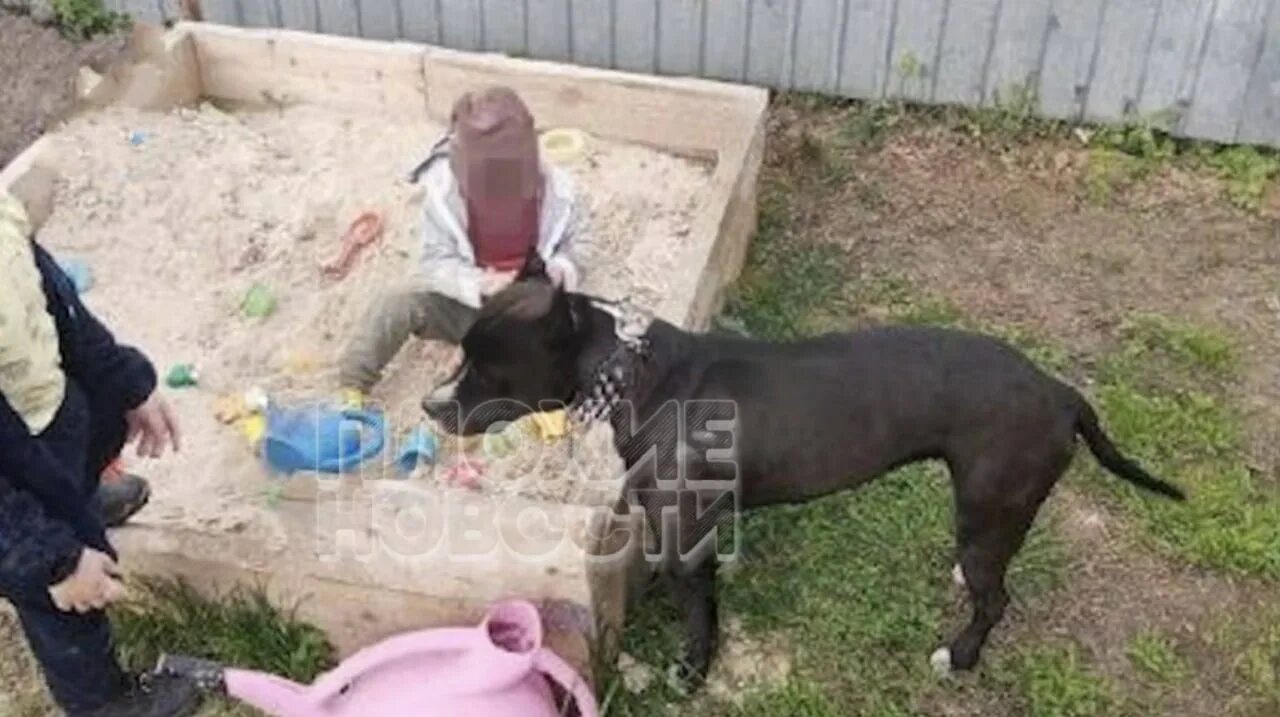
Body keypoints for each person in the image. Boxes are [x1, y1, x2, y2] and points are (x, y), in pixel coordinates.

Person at [0, 189, 200, 716]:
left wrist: (124, 378)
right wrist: (52, 558)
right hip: (12, 469)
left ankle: (76, 497)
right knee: (59, 597)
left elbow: (51, 292)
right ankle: (103, 703)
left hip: (44, 407)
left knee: (96, 421)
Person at [338, 86, 592, 400]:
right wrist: (481, 283)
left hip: (532, 312)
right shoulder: (444, 198)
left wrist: (558, 272)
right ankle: (352, 387)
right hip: (469, 303)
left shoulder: (561, 194)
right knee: (400, 301)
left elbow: (581, 245)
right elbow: (434, 262)